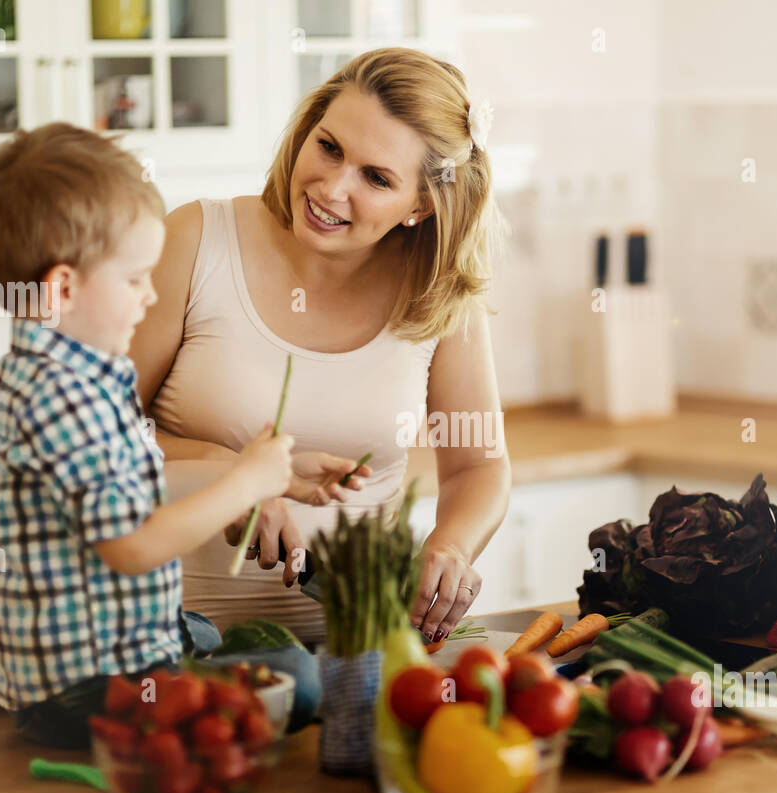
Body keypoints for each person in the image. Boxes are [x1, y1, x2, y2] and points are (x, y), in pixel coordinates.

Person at [0, 124, 362, 747]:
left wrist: (270, 476)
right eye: (136, 277)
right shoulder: (66, 398)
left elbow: (135, 481)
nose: (151, 296)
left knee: (194, 631)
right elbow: (133, 549)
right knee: (301, 681)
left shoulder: (54, 370)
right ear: (64, 287)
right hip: (95, 692)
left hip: (74, 655)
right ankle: (13, 686)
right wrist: (245, 483)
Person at [134, 48, 512, 647]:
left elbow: (478, 466)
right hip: (166, 656)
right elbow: (90, 436)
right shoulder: (196, 242)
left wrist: (449, 546)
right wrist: (228, 477)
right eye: (329, 147)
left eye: (377, 177)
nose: (332, 189)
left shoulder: (439, 293)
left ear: (421, 205)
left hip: (358, 661)